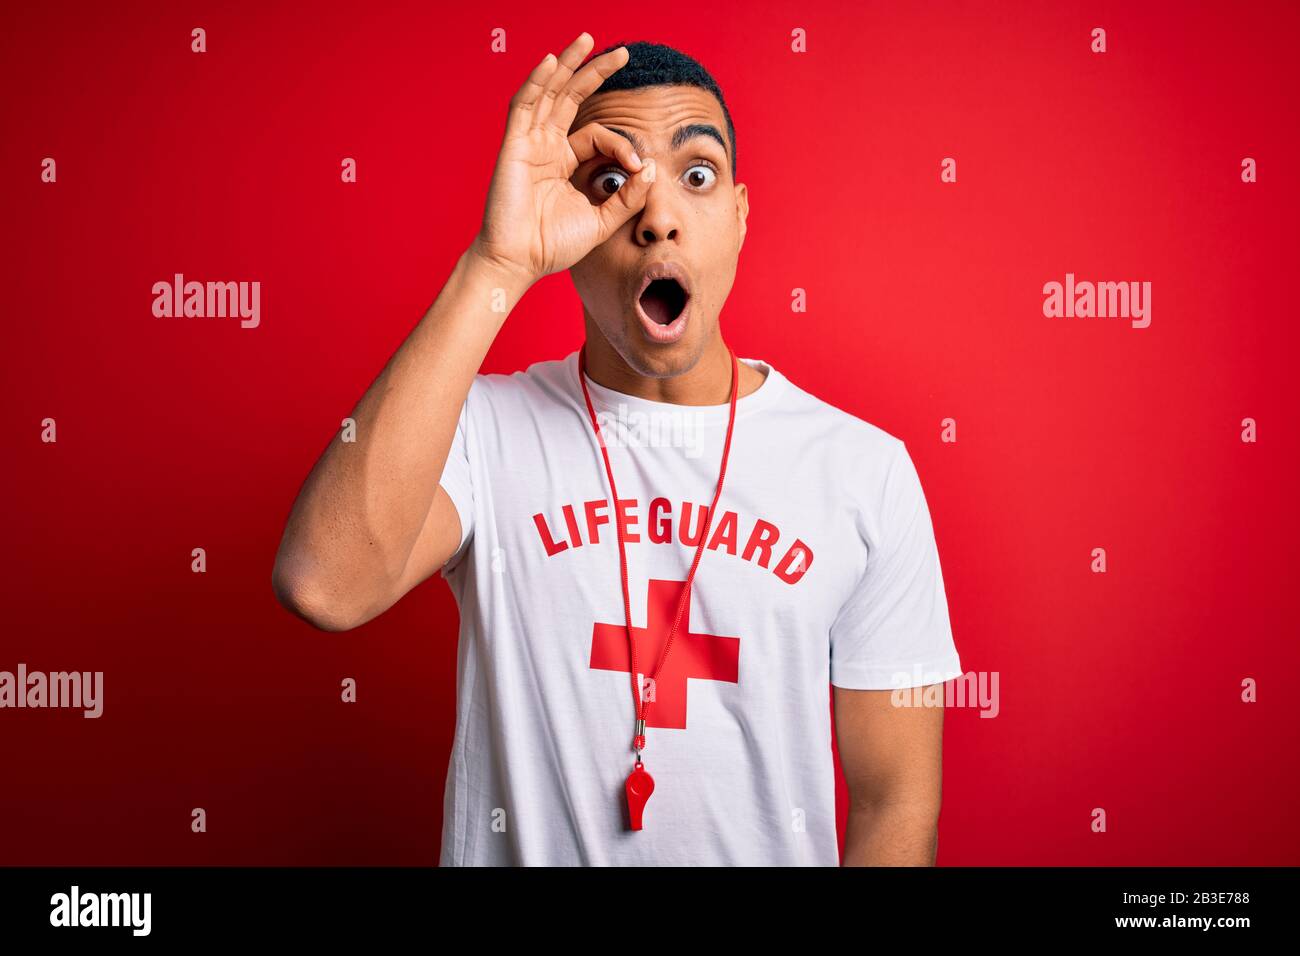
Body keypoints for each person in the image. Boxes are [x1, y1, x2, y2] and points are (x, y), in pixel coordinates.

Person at [272, 33, 963, 866]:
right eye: (611, 183)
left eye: (696, 176)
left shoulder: (864, 472)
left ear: (741, 217)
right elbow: (324, 585)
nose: (658, 216)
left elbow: (896, 806)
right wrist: (498, 259)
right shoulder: (483, 431)